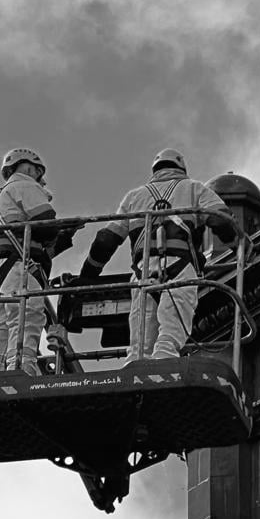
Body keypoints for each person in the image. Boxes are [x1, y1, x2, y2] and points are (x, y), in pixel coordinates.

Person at [79, 148, 237, 361]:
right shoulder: (194, 189)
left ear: (155, 170)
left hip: (143, 272)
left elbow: (106, 239)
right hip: (180, 268)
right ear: (181, 169)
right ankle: (165, 357)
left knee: (140, 345)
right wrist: (242, 247)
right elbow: (221, 220)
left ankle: (135, 368)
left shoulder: (134, 197)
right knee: (170, 334)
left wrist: (88, 275)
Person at [0, 148, 74, 374]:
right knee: (27, 312)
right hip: (15, 265)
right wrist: (60, 229)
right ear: (32, 168)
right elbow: (45, 224)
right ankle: (22, 369)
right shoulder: (25, 185)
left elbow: (30, 237)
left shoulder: (0, 195)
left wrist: (62, 237)